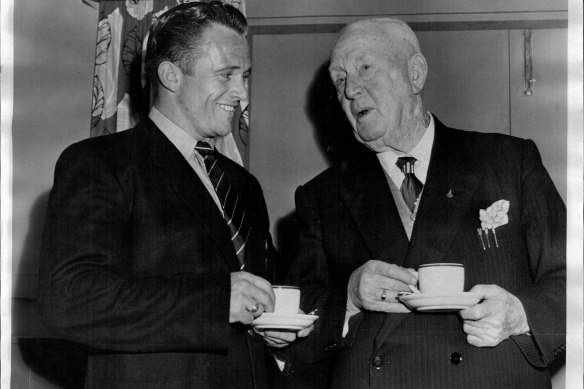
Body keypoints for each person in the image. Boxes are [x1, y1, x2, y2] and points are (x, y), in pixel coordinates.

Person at [38, 2, 307, 388]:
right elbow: (69, 300)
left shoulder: (243, 185)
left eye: (245, 75)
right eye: (227, 75)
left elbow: (262, 290)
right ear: (171, 76)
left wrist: (275, 324)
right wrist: (215, 303)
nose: (242, 92)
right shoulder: (100, 162)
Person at [286, 17, 566, 388]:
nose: (350, 90)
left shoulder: (507, 161)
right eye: (339, 80)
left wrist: (521, 315)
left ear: (415, 74)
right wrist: (349, 298)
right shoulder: (321, 196)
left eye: (365, 68)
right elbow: (293, 324)